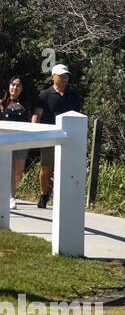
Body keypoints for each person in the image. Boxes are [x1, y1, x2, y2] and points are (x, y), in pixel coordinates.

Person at [33, 64, 83, 209]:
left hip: (68, 138)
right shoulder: (44, 95)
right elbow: (37, 114)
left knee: (65, 169)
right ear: (52, 77)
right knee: (46, 168)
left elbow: (77, 116)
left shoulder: (73, 95)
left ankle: (62, 197)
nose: (64, 78)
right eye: (61, 76)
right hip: (49, 136)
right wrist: (35, 131)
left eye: (66, 76)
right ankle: (44, 194)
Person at [0, 76, 31, 210]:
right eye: (13, 85)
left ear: (21, 89)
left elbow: (30, 122)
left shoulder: (25, 105)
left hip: (21, 140)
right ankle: (11, 197)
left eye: (18, 86)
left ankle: (11, 192)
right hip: (4, 140)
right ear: (9, 87)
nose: (15, 88)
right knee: (10, 168)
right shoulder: (2, 103)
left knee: (18, 170)